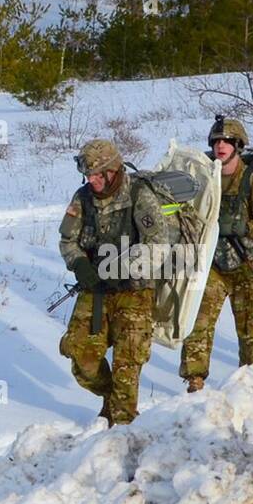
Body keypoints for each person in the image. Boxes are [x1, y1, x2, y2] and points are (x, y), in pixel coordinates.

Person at [59, 139, 170, 425]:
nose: (92, 181)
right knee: (81, 358)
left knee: (127, 364)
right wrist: (80, 264)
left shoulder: (138, 193)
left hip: (133, 290)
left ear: (113, 170)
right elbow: (68, 240)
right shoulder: (82, 198)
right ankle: (112, 397)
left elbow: (157, 245)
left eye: (97, 175)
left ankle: (122, 429)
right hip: (95, 289)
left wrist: (120, 269)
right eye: (88, 176)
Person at [180, 117, 253, 391]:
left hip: (248, 266)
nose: (220, 146)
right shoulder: (203, 177)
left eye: (226, 141)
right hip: (212, 265)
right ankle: (194, 380)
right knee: (197, 322)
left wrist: (241, 226)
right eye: (216, 141)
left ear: (238, 145)